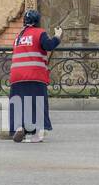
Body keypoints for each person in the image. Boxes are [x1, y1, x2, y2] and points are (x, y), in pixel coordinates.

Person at [8, 10, 61, 143]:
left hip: (17, 76)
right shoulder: (39, 33)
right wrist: (58, 36)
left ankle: (20, 127)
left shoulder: (18, 37)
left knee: (19, 104)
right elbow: (49, 46)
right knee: (38, 103)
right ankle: (38, 134)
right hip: (34, 75)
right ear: (37, 22)